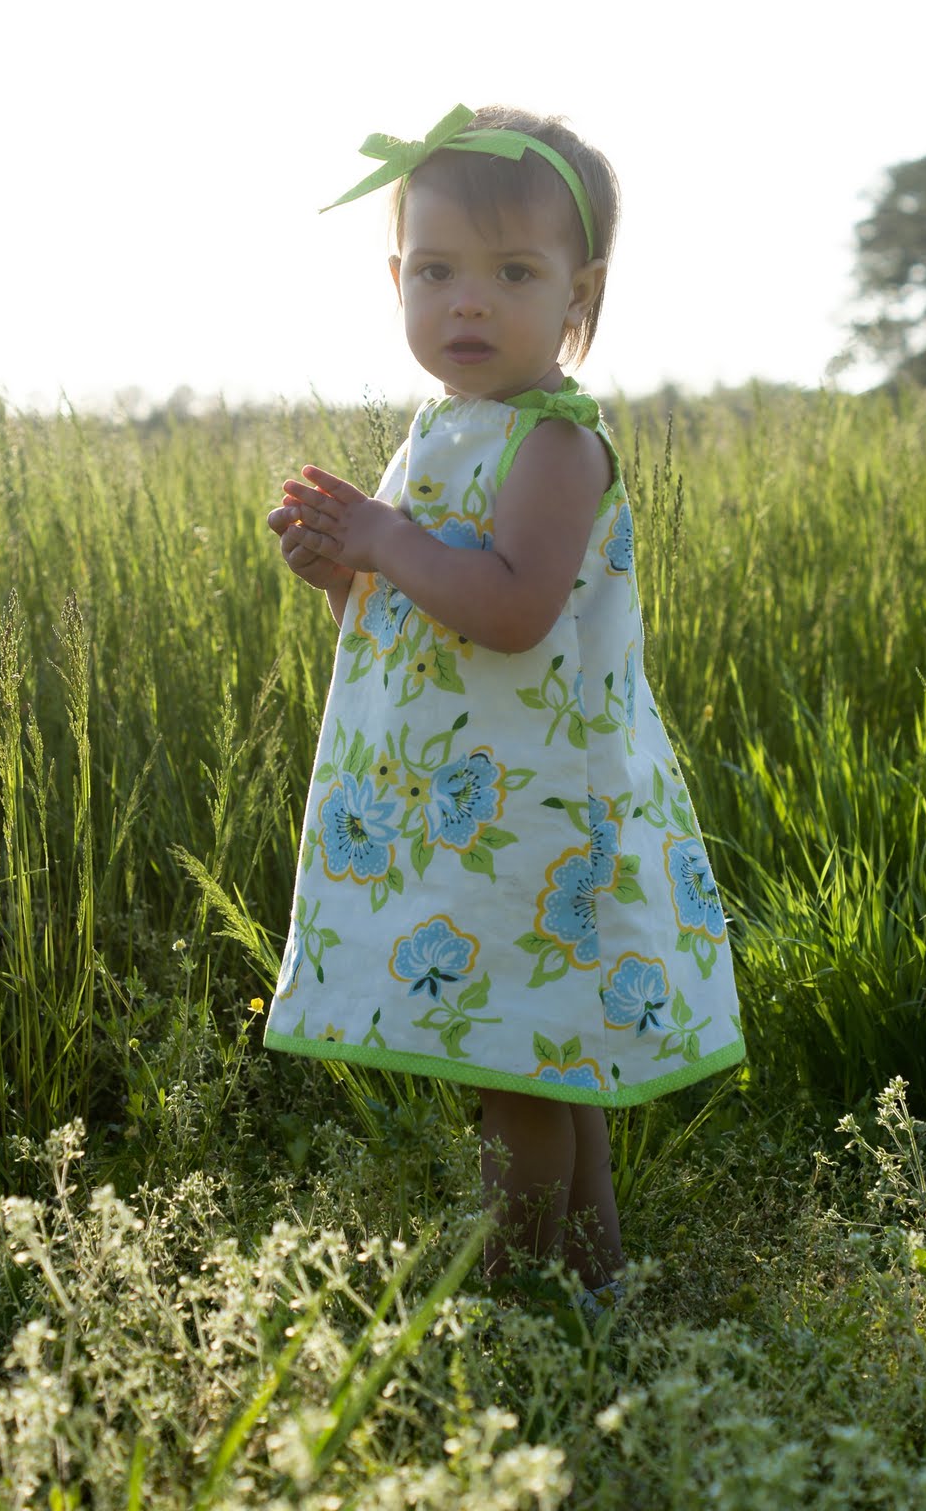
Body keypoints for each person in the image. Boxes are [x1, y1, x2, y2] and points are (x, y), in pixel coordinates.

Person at [264, 104, 744, 1304]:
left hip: (534, 813)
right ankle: (591, 1288)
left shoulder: (553, 444)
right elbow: (419, 623)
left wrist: (385, 536)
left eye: (511, 272)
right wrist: (349, 576)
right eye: (437, 270)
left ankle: (524, 1293)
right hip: (469, 803)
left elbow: (516, 607)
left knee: (521, 1073)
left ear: (578, 294)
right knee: (543, 1059)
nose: (467, 301)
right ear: (396, 279)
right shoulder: (440, 431)